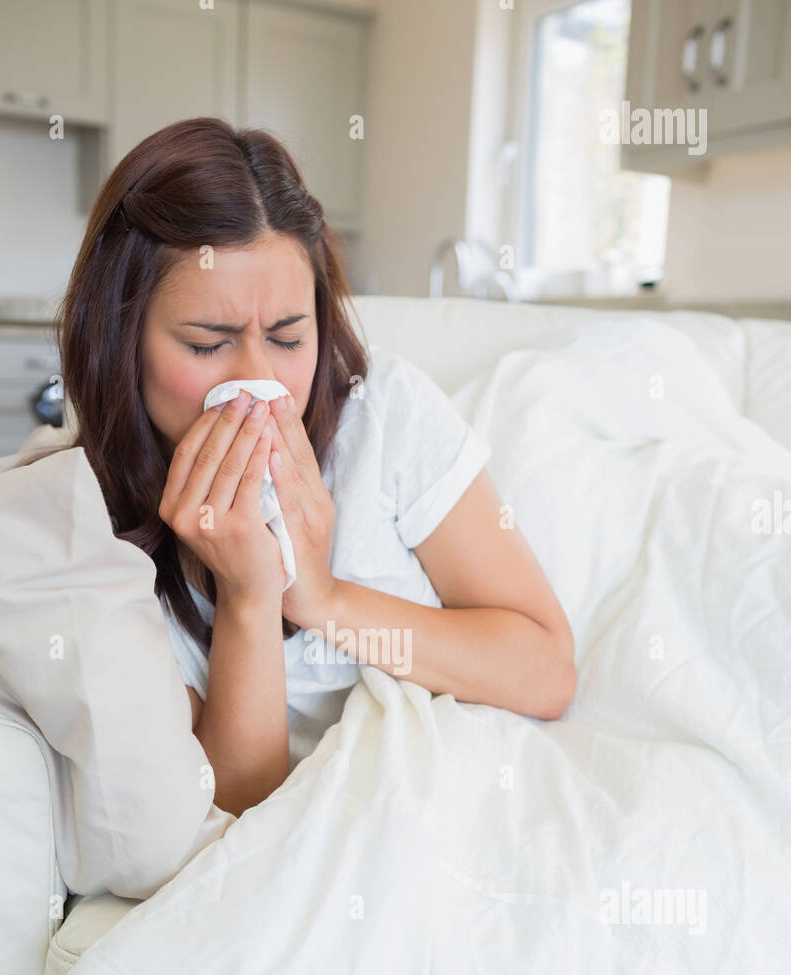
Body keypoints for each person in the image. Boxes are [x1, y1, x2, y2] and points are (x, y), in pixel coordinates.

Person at [54, 117, 575, 818]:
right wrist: (249, 595)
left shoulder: (385, 416)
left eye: (287, 337)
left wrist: (322, 597)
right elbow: (238, 804)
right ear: (121, 343)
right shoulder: (86, 531)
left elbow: (545, 670)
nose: (258, 382)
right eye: (209, 343)